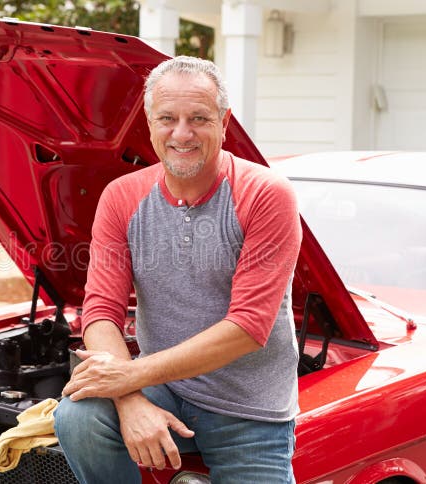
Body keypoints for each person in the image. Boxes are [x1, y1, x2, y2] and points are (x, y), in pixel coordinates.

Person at [54, 56, 302, 484]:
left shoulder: (265, 194)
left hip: (250, 411)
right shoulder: (121, 197)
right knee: (78, 416)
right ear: (149, 122)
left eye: (199, 118)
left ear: (224, 121)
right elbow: (99, 312)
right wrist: (128, 397)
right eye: (167, 118)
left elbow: (248, 326)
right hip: (165, 389)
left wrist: (130, 374)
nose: (181, 133)